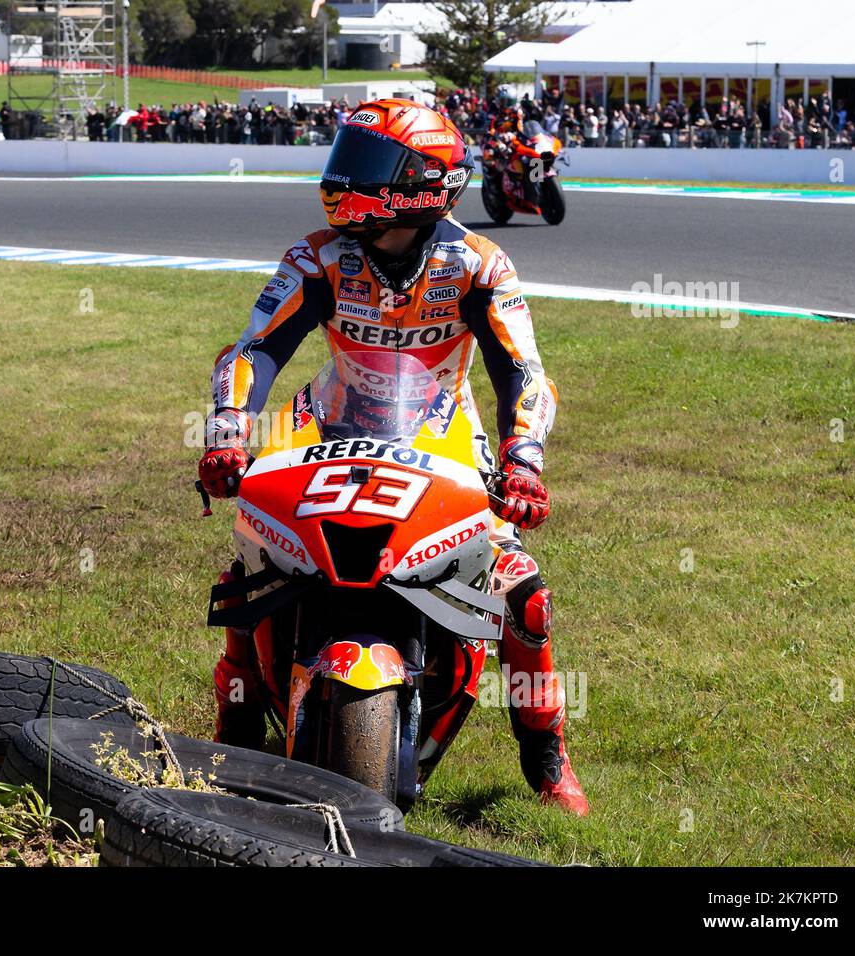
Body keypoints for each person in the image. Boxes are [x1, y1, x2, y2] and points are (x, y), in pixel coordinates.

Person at [197, 99, 589, 816]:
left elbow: (523, 370)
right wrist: (227, 428)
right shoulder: (316, 255)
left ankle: (546, 758)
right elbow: (255, 348)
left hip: (444, 435)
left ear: (422, 181)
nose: (343, 174)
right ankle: (234, 732)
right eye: (346, 153)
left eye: (365, 162)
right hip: (320, 425)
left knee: (523, 593)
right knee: (257, 569)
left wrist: (524, 459)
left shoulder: (479, 265)